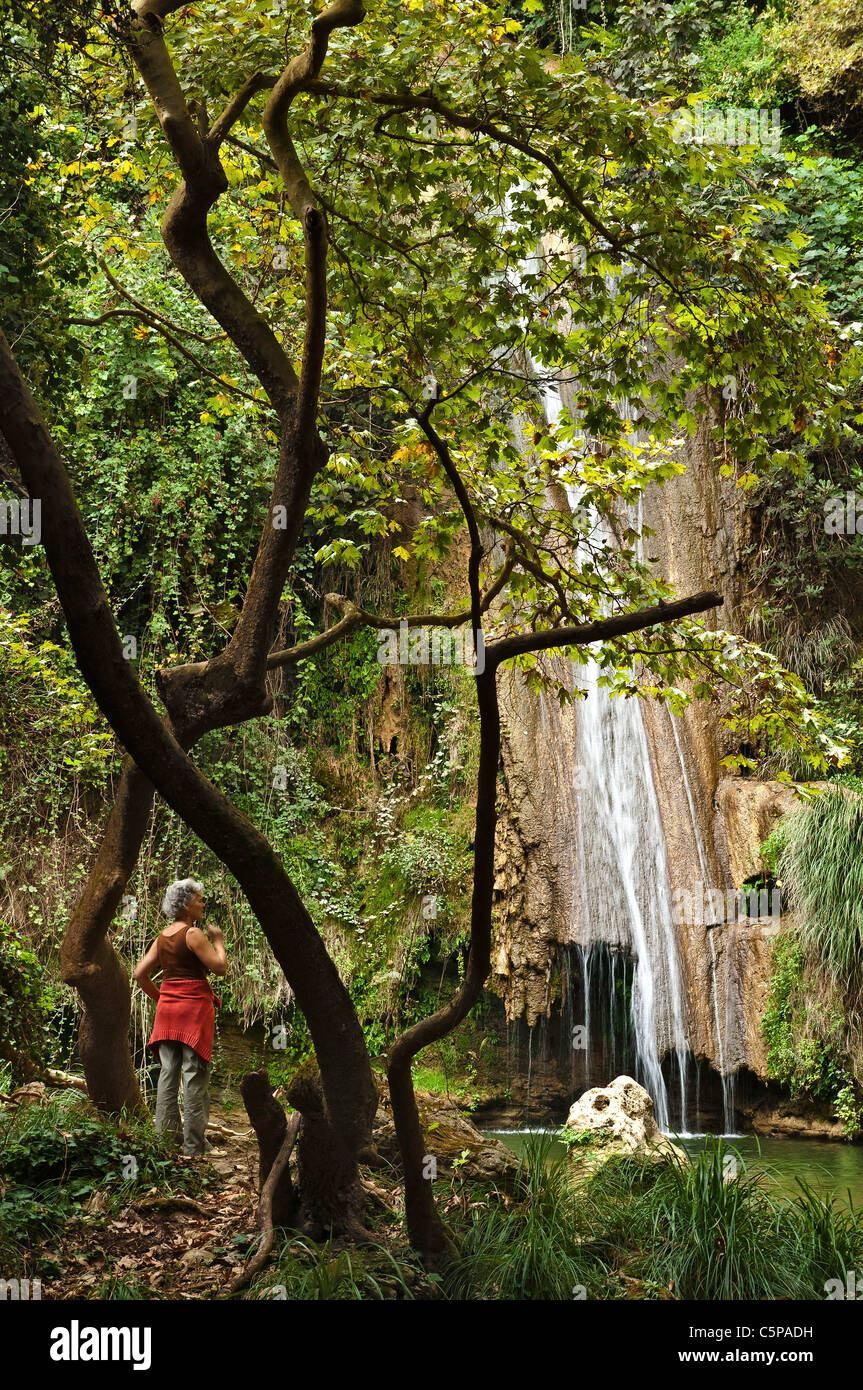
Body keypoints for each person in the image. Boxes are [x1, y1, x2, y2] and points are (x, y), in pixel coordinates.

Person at [133, 878, 227, 1157]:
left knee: (167, 1076)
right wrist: (219, 941)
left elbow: (140, 974)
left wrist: (161, 998)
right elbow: (219, 968)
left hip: (168, 1014)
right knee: (194, 1077)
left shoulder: (163, 936)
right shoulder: (193, 934)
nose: (203, 902)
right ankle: (193, 1148)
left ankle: (164, 1143)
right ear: (186, 905)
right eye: (199, 898)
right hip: (193, 1012)